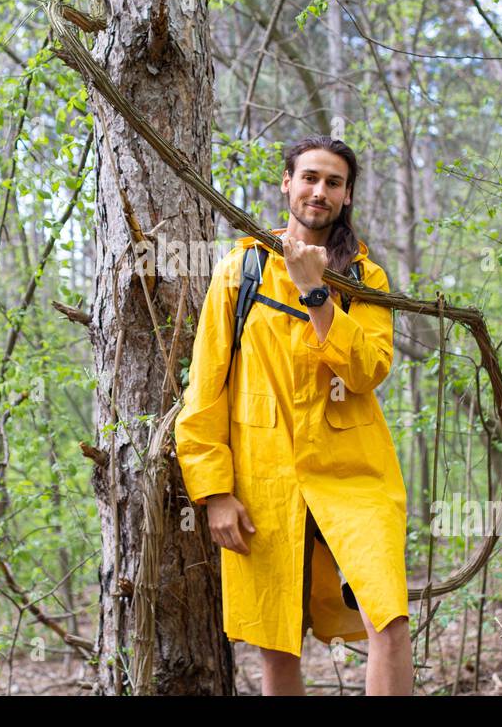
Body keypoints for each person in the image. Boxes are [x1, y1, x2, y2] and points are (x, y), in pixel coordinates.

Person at [174, 136, 414, 696]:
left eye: (333, 182)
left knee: (390, 618)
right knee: (277, 641)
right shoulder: (242, 268)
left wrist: (316, 293)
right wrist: (214, 492)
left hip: (356, 473)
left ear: (347, 194)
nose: (319, 191)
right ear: (287, 183)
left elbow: (369, 369)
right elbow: (204, 389)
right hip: (264, 479)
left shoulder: (364, 277)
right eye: (309, 178)